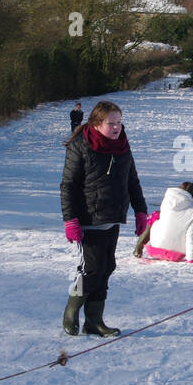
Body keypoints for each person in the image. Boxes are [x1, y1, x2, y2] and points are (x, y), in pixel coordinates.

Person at [60, 100, 149, 337]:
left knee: (107, 267)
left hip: (113, 216)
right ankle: (71, 309)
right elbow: (68, 185)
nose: (117, 127)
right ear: (97, 124)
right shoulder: (81, 145)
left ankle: (94, 321)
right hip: (88, 217)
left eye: (119, 122)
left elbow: (132, 180)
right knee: (92, 270)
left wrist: (141, 211)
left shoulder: (122, 145)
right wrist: (70, 220)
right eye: (112, 123)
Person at [140, 182, 193, 263]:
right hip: (178, 251)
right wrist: (192, 258)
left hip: (157, 245)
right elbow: (192, 235)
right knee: (191, 229)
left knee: (155, 216)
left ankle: (139, 246)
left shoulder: (167, 201)